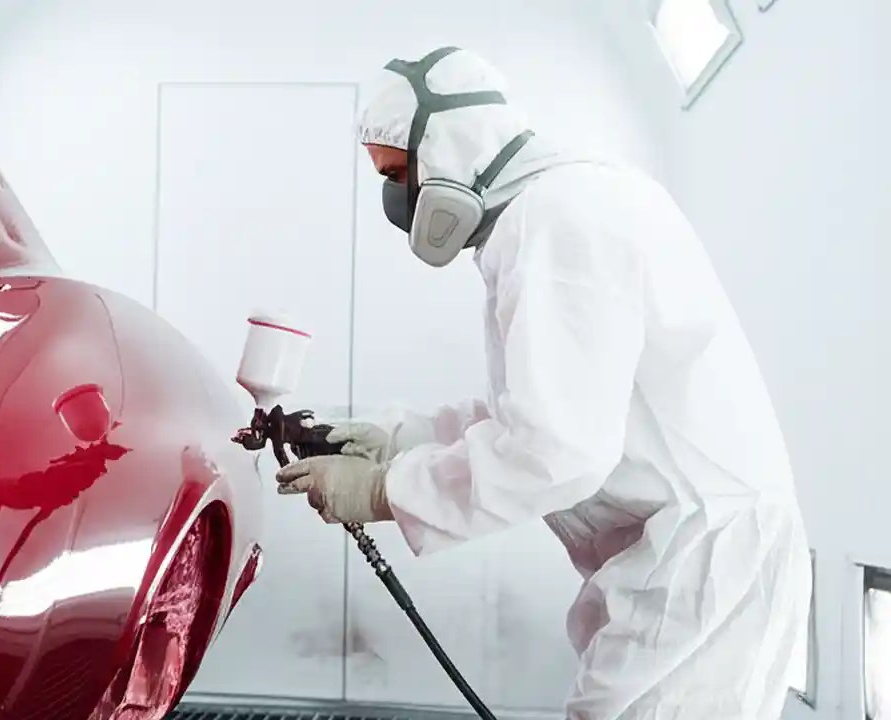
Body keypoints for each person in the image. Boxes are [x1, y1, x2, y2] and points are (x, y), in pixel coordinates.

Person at [276, 46, 811, 720]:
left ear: (449, 151)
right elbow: (540, 409)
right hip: (683, 551)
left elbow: (557, 447)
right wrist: (399, 436)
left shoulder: (560, 218)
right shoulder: (552, 208)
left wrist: (385, 489)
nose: (398, 201)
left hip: (701, 564)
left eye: (400, 174)